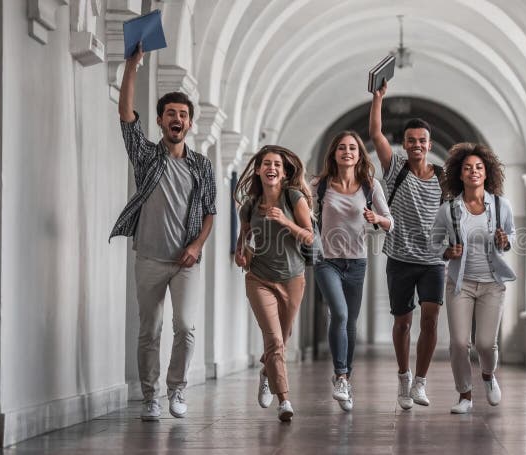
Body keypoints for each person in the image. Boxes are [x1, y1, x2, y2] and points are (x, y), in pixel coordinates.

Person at [110, 46, 217, 421]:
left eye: (183, 115)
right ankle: (150, 397)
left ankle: (177, 391)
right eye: (171, 113)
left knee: (185, 328)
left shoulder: (201, 165)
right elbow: (126, 117)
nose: (177, 118)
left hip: (186, 261)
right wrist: (131, 66)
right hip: (150, 258)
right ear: (160, 121)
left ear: (189, 124)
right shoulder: (146, 156)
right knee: (149, 331)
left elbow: (209, 213)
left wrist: (197, 245)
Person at [369, 80, 445, 409]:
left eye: (422, 141)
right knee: (403, 321)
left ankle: (421, 383)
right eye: (411, 140)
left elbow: (454, 215)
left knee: (430, 320)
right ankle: (404, 376)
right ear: (405, 143)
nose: (416, 145)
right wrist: (378, 99)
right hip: (399, 257)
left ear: (429, 144)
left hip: (433, 260)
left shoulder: (444, 176)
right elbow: (375, 135)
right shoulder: (396, 169)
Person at [431, 143, 516, 414]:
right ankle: (465, 395)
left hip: (492, 284)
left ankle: (489, 376)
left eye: (478, 167)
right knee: (458, 343)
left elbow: (512, 234)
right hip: (460, 284)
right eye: (467, 168)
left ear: (487, 172)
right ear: (460, 174)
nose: (473, 172)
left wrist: (506, 240)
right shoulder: (449, 209)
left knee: (485, 344)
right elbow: (433, 241)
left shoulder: (502, 205)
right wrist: (446, 251)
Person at [312, 131, 394, 412]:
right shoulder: (320, 185)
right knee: (341, 313)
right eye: (342, 148)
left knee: (350, 324)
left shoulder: (371, 186)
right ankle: (341, 375)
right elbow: (304, 214)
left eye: (352, 148)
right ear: (334, 153)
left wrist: (377, 218)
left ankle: (344, 379)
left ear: (360, 154)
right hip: (327, 260)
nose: (347, 152)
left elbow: (390, 223)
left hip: (357, 262)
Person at [233, 145, 314, 422]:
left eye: (277, 165)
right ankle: (284, 400)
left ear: (284, 172)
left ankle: (267, 372)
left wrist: (285, 222)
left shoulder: (294, 198)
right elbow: (244, 239)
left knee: (284, 337)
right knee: (275, 339)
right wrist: (241, 253)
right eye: (267, 164)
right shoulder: (250, 205)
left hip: (293, 278)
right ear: (258, 169)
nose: (272, 169)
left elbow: (310, 237)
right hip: (259, 279)